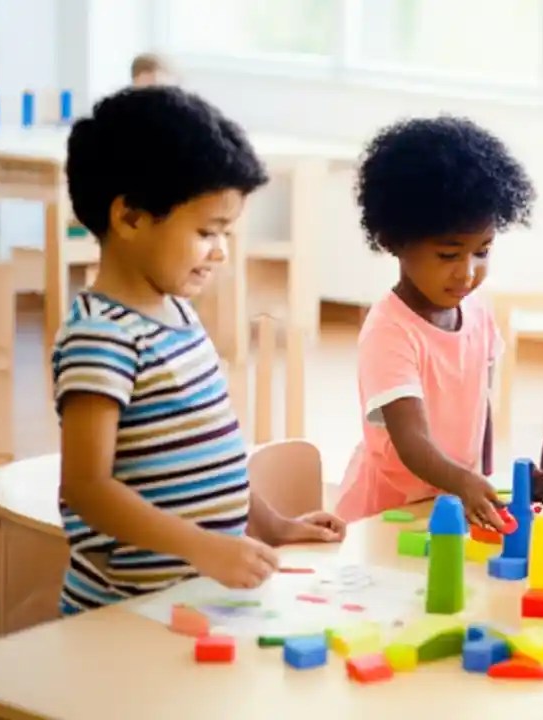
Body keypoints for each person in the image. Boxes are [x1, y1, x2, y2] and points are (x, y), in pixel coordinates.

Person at [55, 87, 345, 615]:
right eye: (207, 231)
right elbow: (86, 487)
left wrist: (273, 523)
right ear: (131, 218)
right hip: (122, 612)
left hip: (192, 598)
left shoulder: (179, 316)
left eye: (226, 232)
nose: (221, 251)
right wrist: (202, 547)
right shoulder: (101, 338)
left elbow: (213, 456)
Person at [334, 116, 535, 529]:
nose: (467, 272)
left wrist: (483, 477)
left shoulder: (478, 311)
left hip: (448, 504)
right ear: (393, 240)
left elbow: (483, 407)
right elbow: (412, 442)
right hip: (387, 516)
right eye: (448, 255)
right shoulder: (390, 330)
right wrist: (464, 482)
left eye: (483, 251)